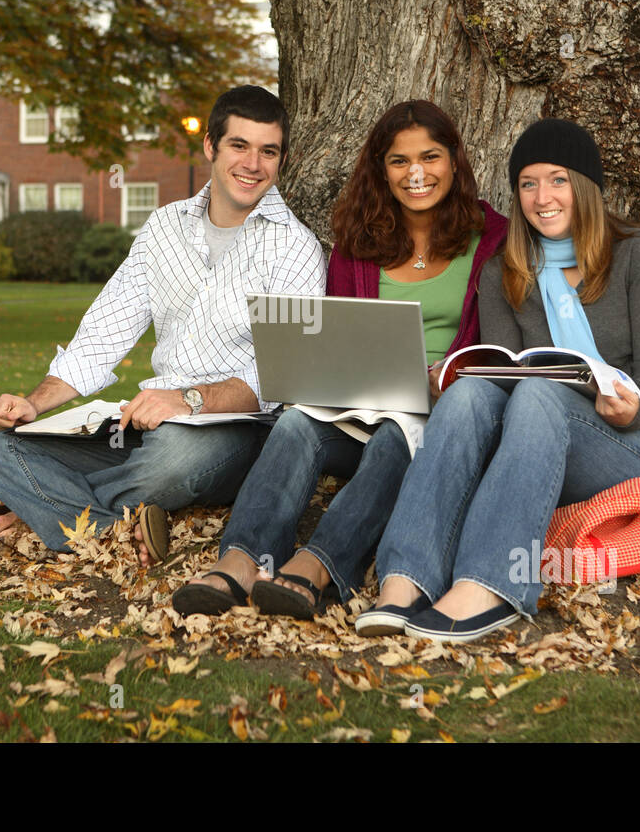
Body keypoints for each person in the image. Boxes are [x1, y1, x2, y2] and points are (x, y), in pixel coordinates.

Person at [354, 118, 640, 643]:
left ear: (585, 186)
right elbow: (503, 374)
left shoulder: (639, 252)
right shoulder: (505, 270)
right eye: (528, 183)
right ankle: (407, 578)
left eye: (558, 180)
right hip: (536, 445)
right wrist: (453, 381)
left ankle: (491, 585)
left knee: (542, 389)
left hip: (630, 444)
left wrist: (638, 404)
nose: (543, 197)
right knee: (474, 391)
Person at [171, 100, 507, 617]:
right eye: (399, 161)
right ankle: (241, 559)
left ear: (455, 161)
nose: (416, 173)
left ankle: (319, 566)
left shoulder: (495, 239)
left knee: (397, 439)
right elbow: (337, 334)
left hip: (441, 419)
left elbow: (505, 343)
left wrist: (451, 373)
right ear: (382, 169)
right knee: (294, 424)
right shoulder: (359, 242)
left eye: (431, 157)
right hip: (361, 406)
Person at [0, 86, 326, 561]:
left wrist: (188, 400)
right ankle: (111, 528)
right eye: (239, 146)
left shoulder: (295, 249)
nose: (252, 164)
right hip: (144, 423)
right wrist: (33, 405)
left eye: (268, 151)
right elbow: (103, 333)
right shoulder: (162, 229)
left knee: (173, 461)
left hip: (235, 431)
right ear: (210, 147)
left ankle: (53, 514)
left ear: (281, 159)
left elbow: (284, 376)